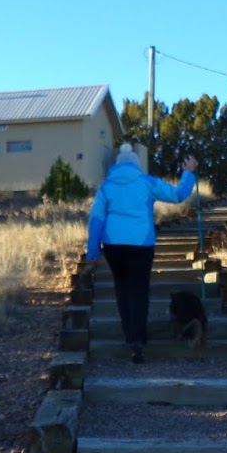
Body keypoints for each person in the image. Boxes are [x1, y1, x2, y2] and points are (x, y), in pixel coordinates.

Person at [84, 143, 198, 363]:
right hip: (141, 244)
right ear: (136, 165)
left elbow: (96, 220)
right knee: (139, 291)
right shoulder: (146, 182)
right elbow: (177, 195)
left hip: (113, 246)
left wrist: (93, 252)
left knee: (122, 289)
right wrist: (188, 173)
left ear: (117, 166)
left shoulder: (106, 187)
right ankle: (138, 341)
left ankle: (129, 336)